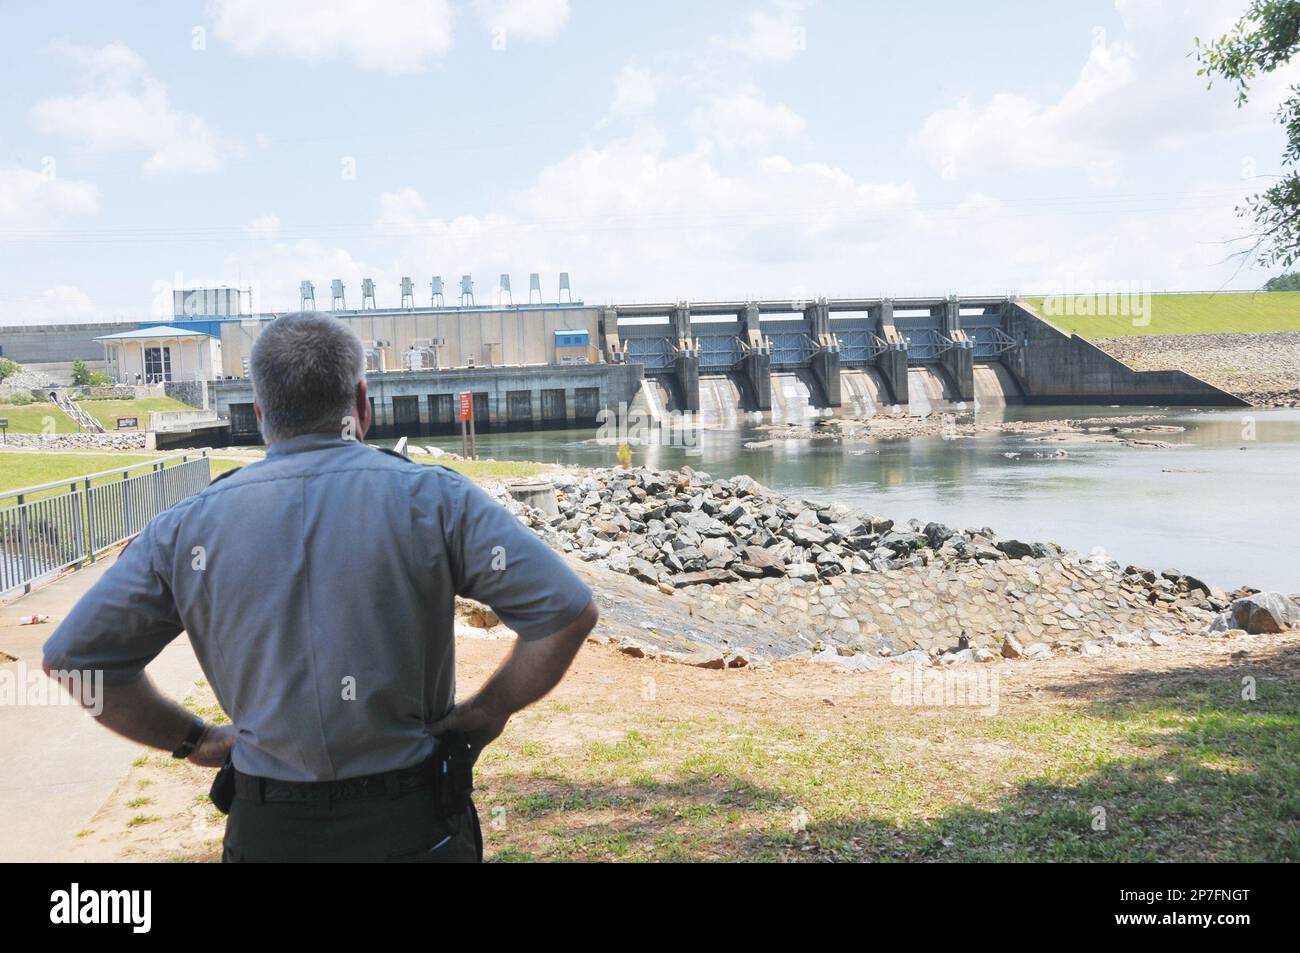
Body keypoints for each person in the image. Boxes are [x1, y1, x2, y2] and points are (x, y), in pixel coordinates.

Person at [43, 312, 597, 862]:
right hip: (413, 820)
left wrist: (194, 740)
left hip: (270, 828)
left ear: (260, 412)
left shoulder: (187, 527)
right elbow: (566, 613)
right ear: (361, 403)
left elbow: (75, 658)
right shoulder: (435, 500)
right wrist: (486, 711)